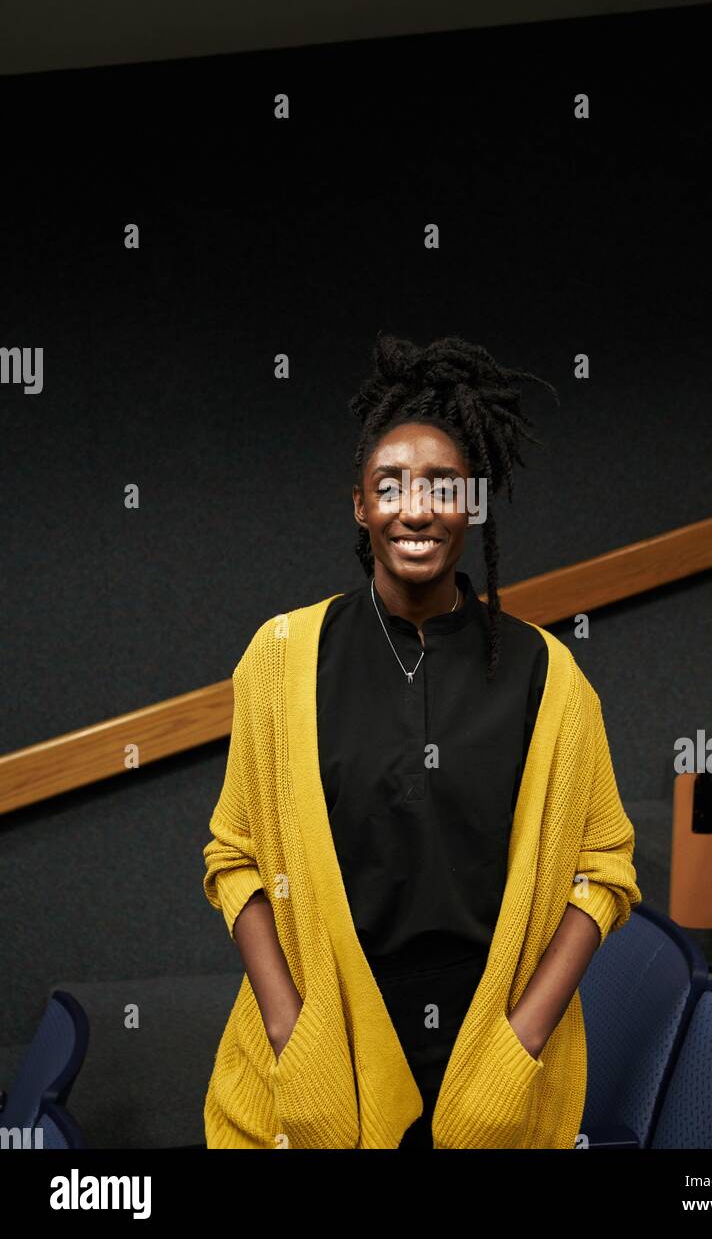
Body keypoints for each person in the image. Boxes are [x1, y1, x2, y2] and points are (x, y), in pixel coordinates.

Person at [203, 331, 642, 1149]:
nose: (416, 507)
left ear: (470, 507)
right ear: (361, 505)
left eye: (443, 486)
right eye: (390, 484)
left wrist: (523, 1042)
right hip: (324, 1043)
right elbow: (234, 858)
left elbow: (604, 869)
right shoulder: (281, 659)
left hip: (490, 1047)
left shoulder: (547, 675)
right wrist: (290, 1034)